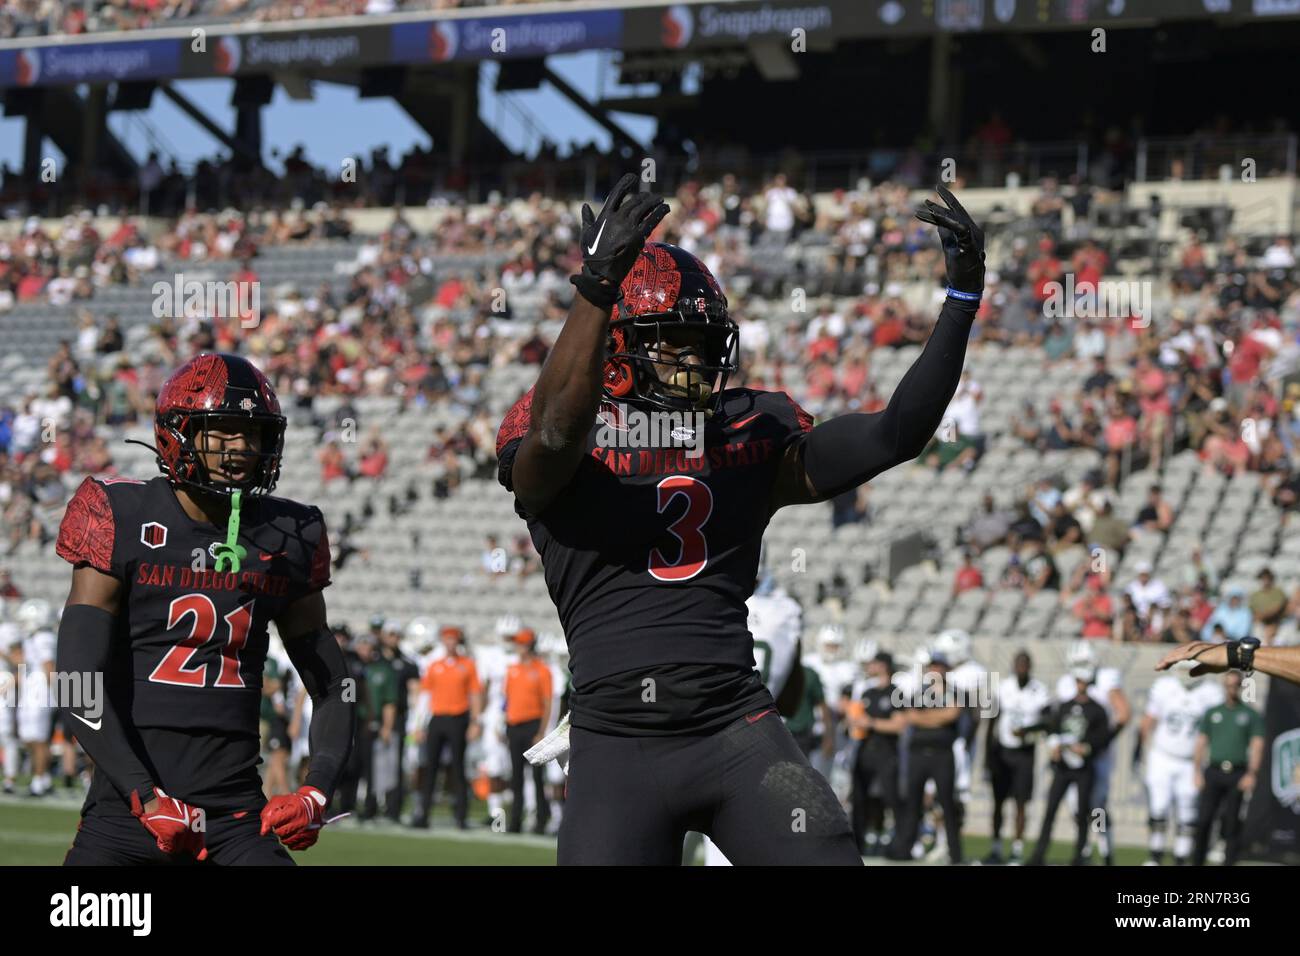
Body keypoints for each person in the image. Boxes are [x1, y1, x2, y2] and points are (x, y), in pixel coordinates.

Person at [495, 175, 984, 864]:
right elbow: (548, 438)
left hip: (734, 727)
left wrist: (961, 302)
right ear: (616, 349)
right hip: (617, 743)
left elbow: (893, 435)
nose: (698, 359)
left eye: (704, 342)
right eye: (677, 341)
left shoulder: (746, 431)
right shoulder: (569, 437)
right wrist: (596, 288)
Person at [54, 352, 354, 865]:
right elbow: (75, 677)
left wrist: (317, 790)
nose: (241, 448)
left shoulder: (289, 533)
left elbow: (334, 685)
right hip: (126, 816)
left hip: (235, 820)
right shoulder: (119, 511)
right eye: (224, 431)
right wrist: (145, 798)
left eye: (253, 433)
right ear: (180, 433)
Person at [1140, 661, 1224, 865]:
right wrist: (1140, 751)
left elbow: (1216, 730)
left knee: (1187, 813)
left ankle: (1180, 859)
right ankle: (1155, 856)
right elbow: (1148, 720)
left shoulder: (1210, 693)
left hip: (1190, 762)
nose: (1186, 674)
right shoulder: (1165, 687)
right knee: (1158, 809)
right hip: (1162, 756)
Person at [1026, 665, 1111, 866]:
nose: (1080, 684)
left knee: (1090, 811)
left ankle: (1099, 854)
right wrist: (1054, 746)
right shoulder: (1064, 706)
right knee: (1051, 811)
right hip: (1064, 767)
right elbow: (1053, 730)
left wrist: (1087, 748)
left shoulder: (1097, 710)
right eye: (1078, 680)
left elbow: (1103, 738)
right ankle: (1039, 854)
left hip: (1087, 768)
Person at [411, 626, 482, 829]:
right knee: (430, 768)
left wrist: (476, 722)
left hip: (459, 719)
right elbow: (425, 696)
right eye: (447, 639)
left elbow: (475, 694)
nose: (450, 643)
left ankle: (461, 816)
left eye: (453, 639)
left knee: (458, 768)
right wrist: (419, 724)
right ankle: (422, 814)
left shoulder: (467, 665)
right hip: (437, 718)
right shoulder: (435, 665)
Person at [1192, 672, 1264, 866]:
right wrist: (1197, 771)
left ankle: (1229, 861)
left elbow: (1257, 745)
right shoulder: (1213, 713)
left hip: (1237, 772)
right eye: (1228, 685)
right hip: (1214, 770)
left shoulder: (1249, 715)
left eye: (1235, 686)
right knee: (1204, 819)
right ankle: (1196, 861)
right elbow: (1201, 743)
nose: (1231, 690)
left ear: (1240, 687)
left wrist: (1251, 773)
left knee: (1232, 822)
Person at [985, 651, 1049, 865]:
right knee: (998, 802)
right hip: (1003, 751)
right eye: (1018, 664)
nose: (1021, 668)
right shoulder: (1004, 687)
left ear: (1030, 667)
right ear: (1013, 666)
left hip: (1025, 752)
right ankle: (995, 847)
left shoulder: (1039, 690)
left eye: (1025, 664)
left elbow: (1048, 721)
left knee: (1021, 803)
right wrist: (988, 756)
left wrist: (1028, 730)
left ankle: (1017, 849)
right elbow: (992, 721)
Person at [503, 628, 552, 834]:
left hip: (533, 725)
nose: (518, 647)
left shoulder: (542, 670)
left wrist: (541, 731)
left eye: (522, 644)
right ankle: (515, 820)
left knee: (537, 776)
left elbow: (547, 703)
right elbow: (507, 700)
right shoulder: (512, 669)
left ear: (530, 645)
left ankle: (541, 819)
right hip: (514, 726)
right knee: (516, 776)